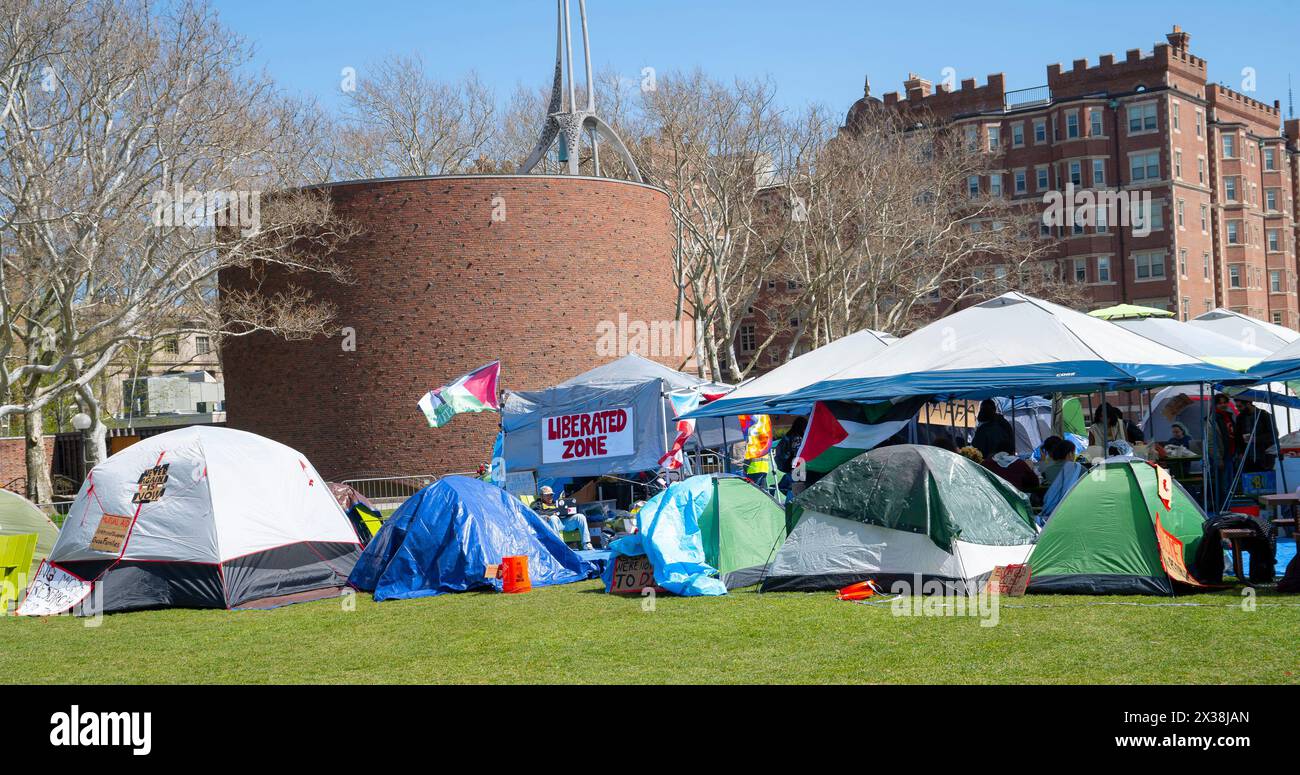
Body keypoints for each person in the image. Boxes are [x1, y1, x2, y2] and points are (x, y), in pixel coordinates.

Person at [536, 486, 593, 550]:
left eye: (551, 495)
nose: (550, 497)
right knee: (553, 518)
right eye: (547, 495)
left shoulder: (557, 503)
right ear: (541, 496)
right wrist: (551, 514)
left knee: (580, 517)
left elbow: (564, 513)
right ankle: (558, 545)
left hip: (565, 522)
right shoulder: (538, 505)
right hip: (553, 524)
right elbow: (536, 514)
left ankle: (586, 543)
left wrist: (569, 511)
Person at [1235, 398, 1277, 473]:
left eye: (1240, 406)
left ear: (1248, 404)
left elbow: (1274, 434)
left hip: (1264, 455)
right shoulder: (1240, 417)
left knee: (1264, 479)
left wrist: (1256, 439)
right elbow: (1238, 436)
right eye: (1237, 406)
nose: (1238, 409)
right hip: (1247, 456)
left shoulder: (1264, 415)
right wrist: (1240, 452)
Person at [773, 417, 806, 498]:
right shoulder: (797, 438)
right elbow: (797, 454)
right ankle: (792, 506)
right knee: (797, 489)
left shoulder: (789, 435)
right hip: (796, 467)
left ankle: (789, 503)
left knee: (792, 486)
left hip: (786, 465)